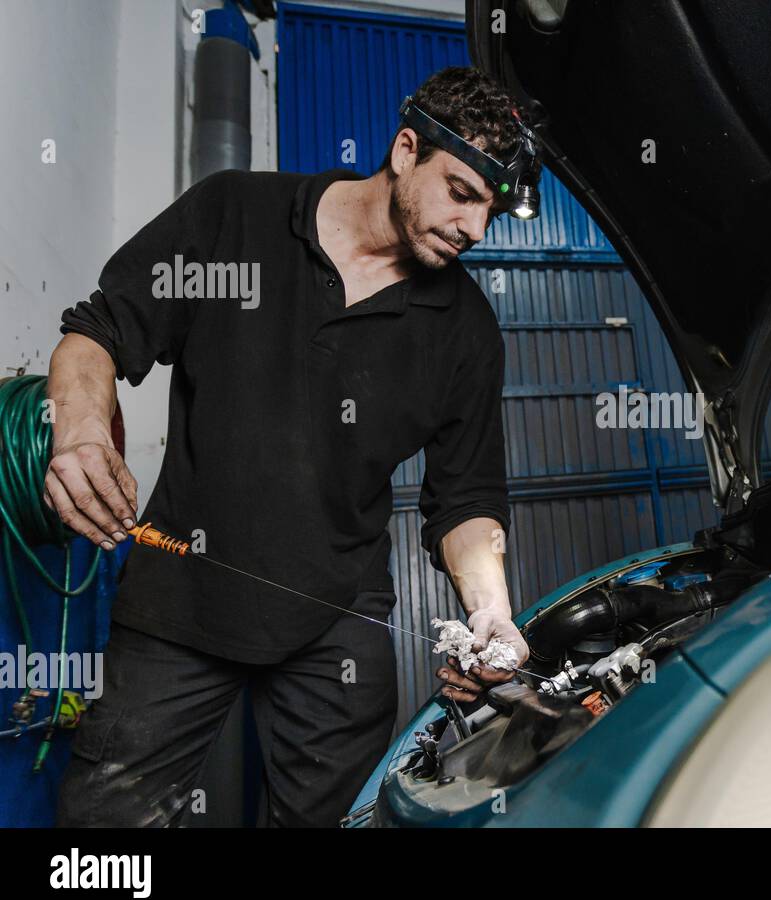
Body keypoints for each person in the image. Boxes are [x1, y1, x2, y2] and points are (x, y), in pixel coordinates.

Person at [49, 67, 529, 827]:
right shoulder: (234, 216)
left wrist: (491, 611)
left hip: (339, 621)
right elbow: (97, 333)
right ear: (406, 149)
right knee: (103, 830)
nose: (476, 229)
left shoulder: (465, 329)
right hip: (181, 602)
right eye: (463, 193)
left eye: (492, 212)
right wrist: (77, 436)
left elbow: (466, 498)